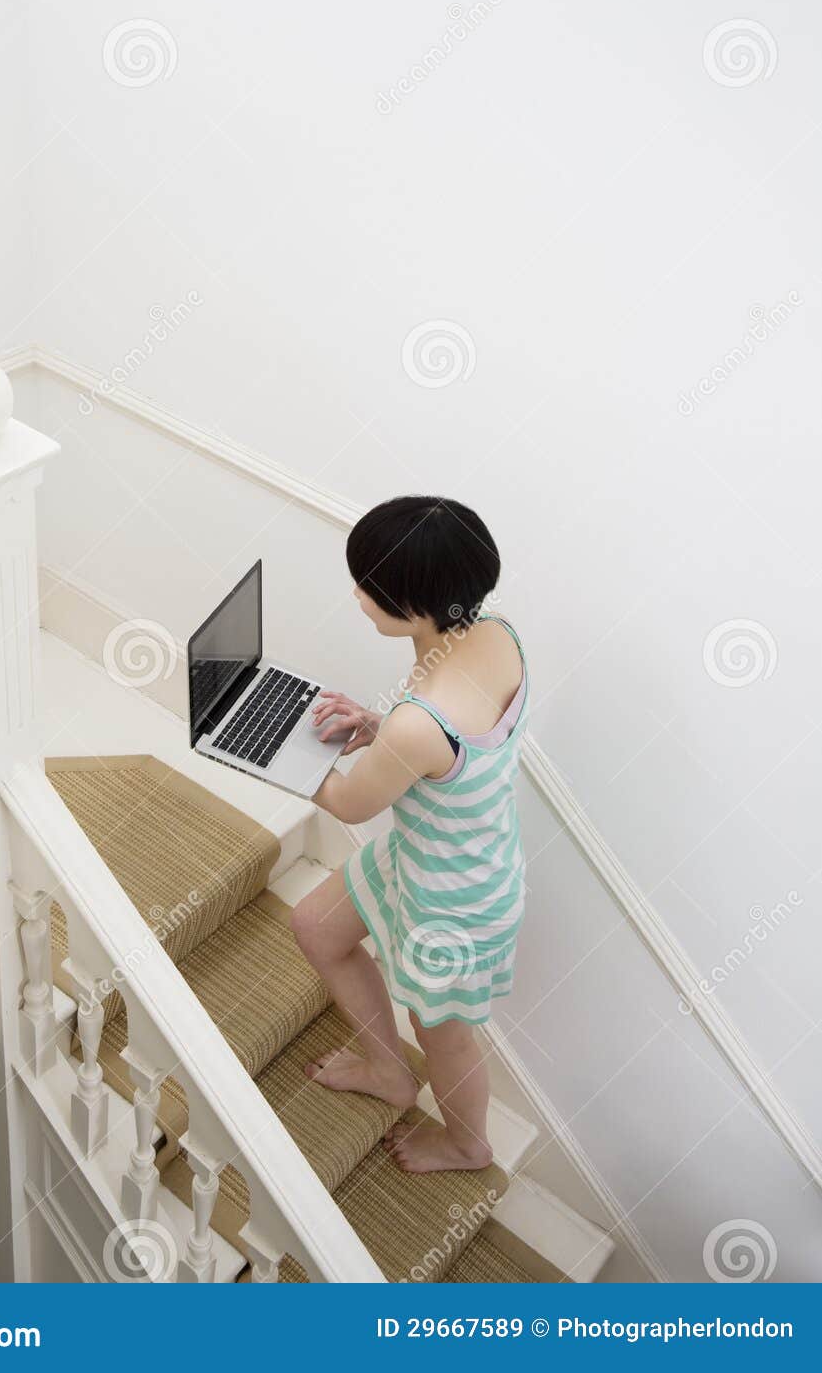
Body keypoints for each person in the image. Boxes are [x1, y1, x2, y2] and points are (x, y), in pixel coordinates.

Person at [291, 496, 527, 1173]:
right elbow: (449, 745)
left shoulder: (419, 725)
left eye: (371, 586)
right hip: (441, 854)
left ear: (416, 605)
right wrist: (373, 726)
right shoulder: (494, 634)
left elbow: (346, 802)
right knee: (315, 926)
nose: (359, 595)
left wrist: (273, 751)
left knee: (444, 1036)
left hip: (453, 901)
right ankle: (388, 1071)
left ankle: (467, 1144)